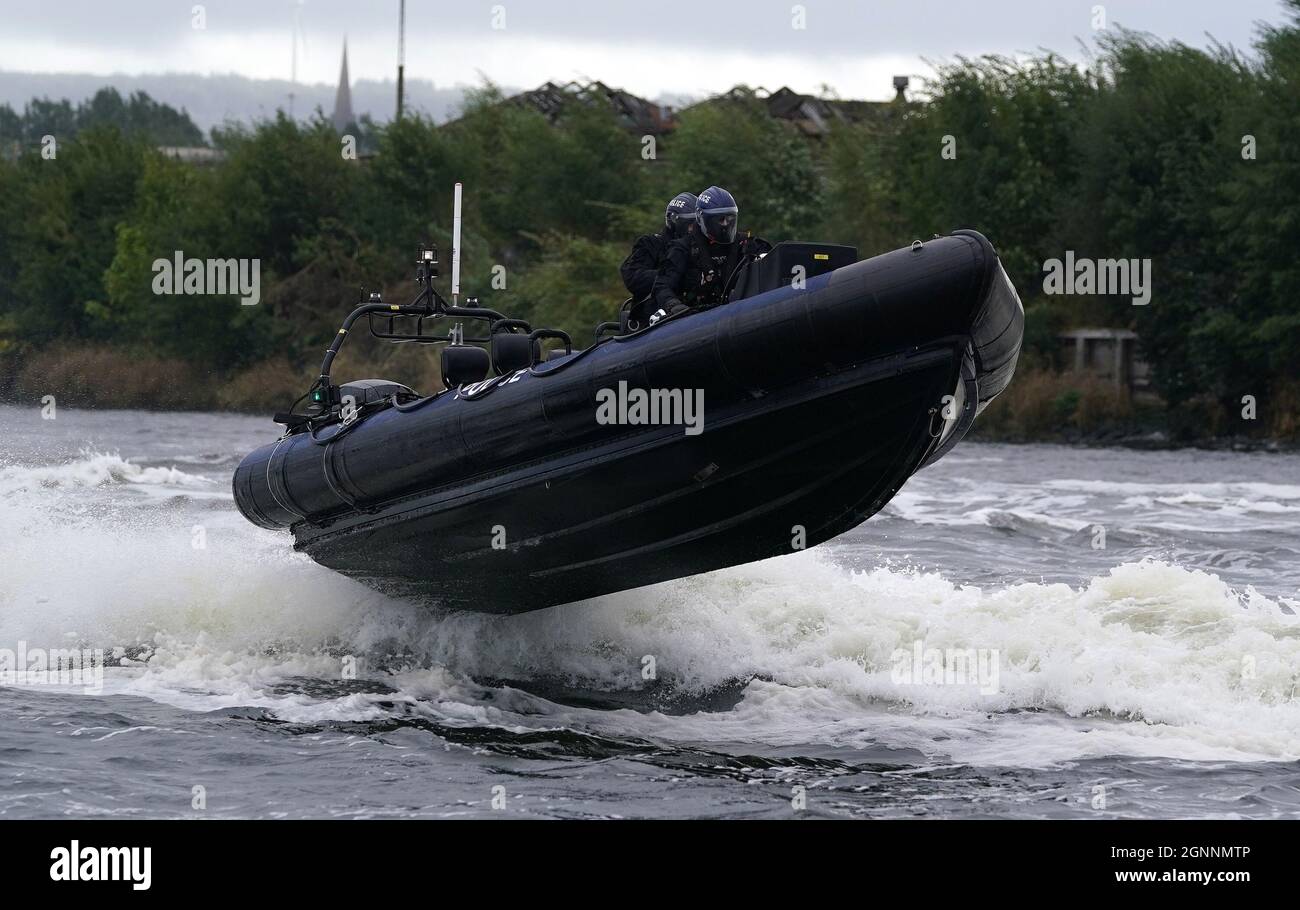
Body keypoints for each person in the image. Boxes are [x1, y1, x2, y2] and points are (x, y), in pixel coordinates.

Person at [650, 186, 770, 319]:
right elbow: (662, 286)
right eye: (720, 219)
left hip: (738, 313)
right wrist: (674, 305)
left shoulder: (746, 244)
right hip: (695, 318)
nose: (726, 224)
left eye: (730, 219)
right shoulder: (682, 249)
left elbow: (771, 259)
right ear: (702, 219)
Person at [619, 192, 698, 302]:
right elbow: (632, 278)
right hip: (656, 308)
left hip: (697, 307)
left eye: (697, 225)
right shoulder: (651, 243)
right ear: (675, 222)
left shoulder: (700, 247)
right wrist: (674, 275)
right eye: (690, 225)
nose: (693, 230)